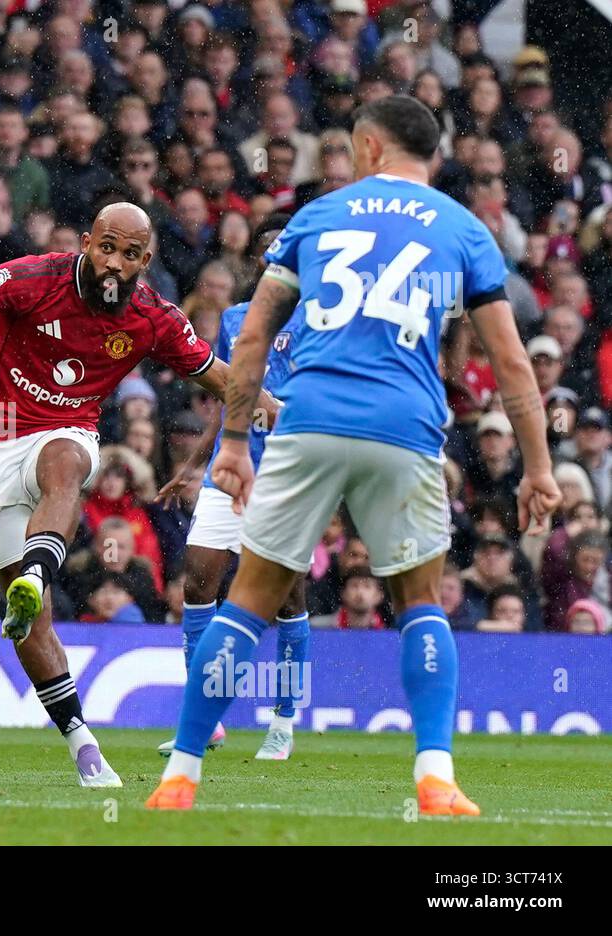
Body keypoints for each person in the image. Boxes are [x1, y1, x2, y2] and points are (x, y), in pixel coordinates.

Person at [150, 96, 561, 815]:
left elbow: (250, 344)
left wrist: (238, 442)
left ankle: (180, 774)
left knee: (246, 603)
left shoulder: (316, 217)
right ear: (433, 153)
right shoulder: (464, 229)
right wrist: (539, 468)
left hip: (309, 422)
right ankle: (435, 777)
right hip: (405, 427)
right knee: (420, 603)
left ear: (369, 148)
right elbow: (512, 363)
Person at [0, 200, 272, 787]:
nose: (116, 263)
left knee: (65, 462)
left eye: (130, 255)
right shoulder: (35, 278)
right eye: (107, 248)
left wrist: (269, 405)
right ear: (89, 243)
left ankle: (36, 574)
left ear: (146, 260)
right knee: (33, 625)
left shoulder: (154, 317)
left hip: (62, 432)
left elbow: (217, 376)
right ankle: (81, 743)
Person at [156, 214, 310, 762]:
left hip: (290, 475)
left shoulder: (325, 319)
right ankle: (207, 722)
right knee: (198, 584)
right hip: (231, 469)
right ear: (262, 262)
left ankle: (285, 721)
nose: (276, 258)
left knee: (287, 601)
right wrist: (196, 462)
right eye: (269, 250)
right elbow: (229, 396)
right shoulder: (237, 317)